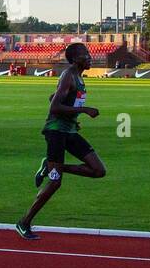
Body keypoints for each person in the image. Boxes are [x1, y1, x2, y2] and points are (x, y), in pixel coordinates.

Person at [14, 42, 106, 240]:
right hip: (56, 132)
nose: (90, 57)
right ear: (75, 59)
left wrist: (73, 118)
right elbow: (54, 107)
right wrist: (84, 110)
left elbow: (54, 98)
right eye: (85, 55)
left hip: (69, 131)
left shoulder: (78, 77)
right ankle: (24, 222)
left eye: (89, 54)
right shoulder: (68, 75)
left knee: (98, 170)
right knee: (55, 183)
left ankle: (52, 166)